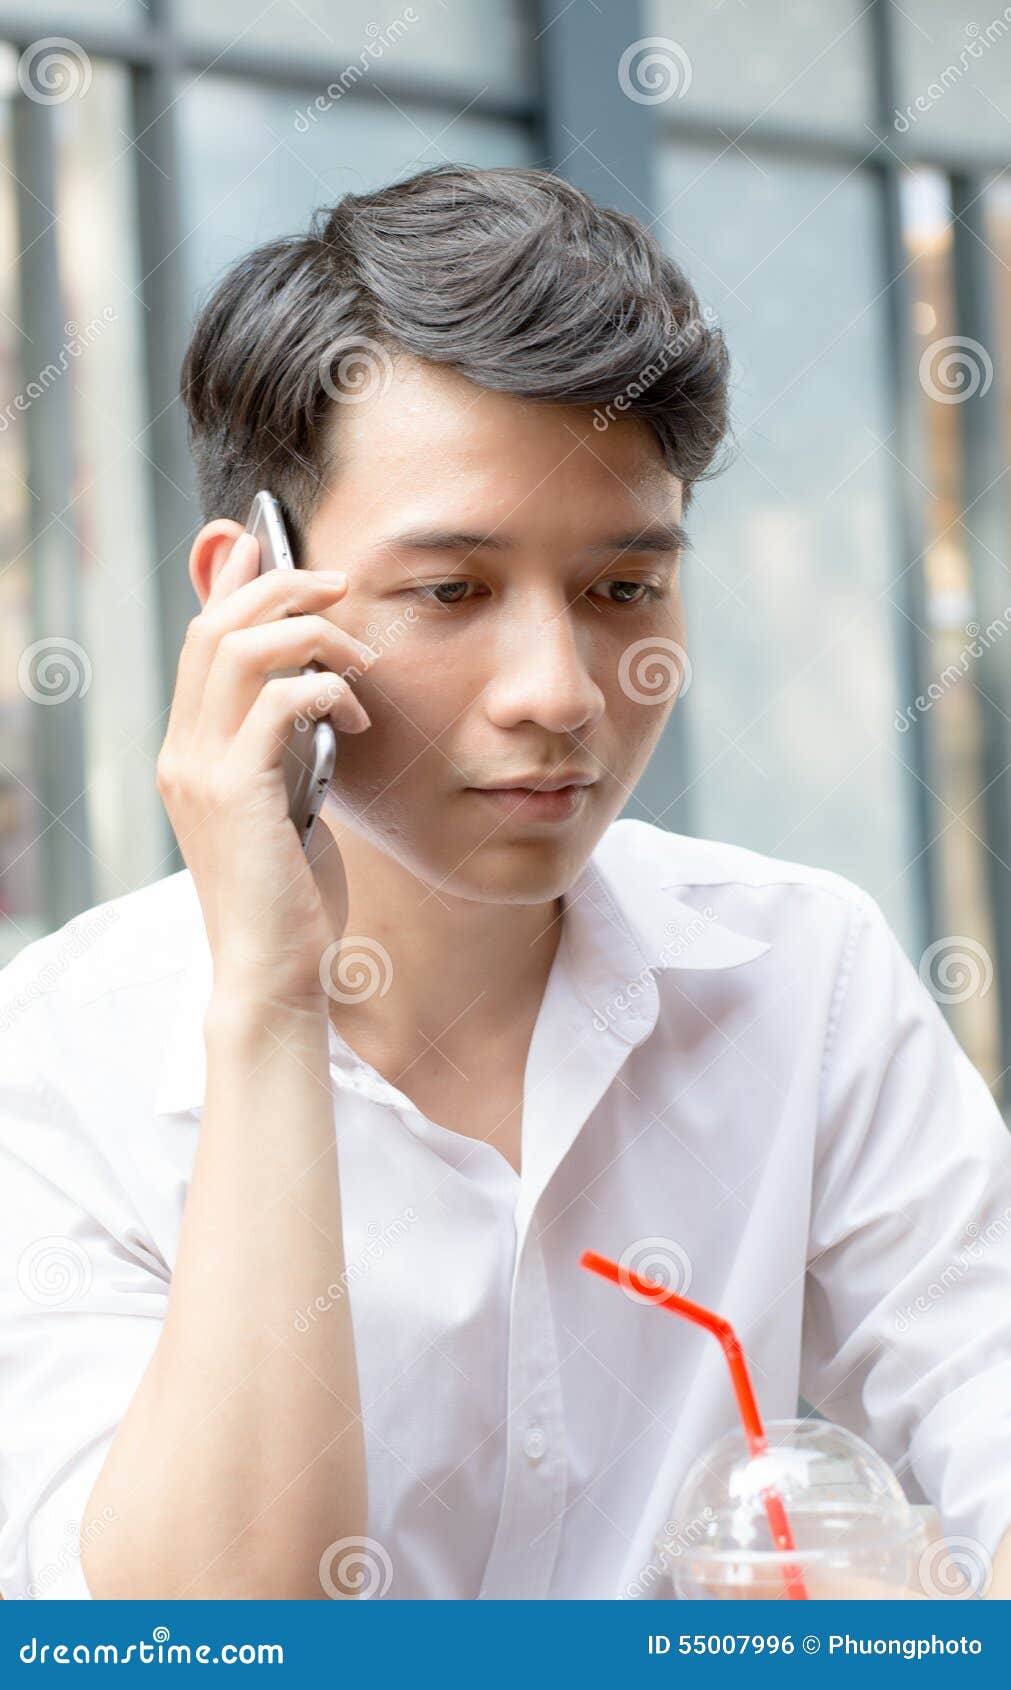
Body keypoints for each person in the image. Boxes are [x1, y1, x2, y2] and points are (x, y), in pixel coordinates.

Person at [2, 163, 1011, 1603]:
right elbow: (212, 1637)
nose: (560, 695)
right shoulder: (58, 1059)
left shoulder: (810, 979)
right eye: (450, 592)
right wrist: (273, 1003)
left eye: (622, 589)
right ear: (249, 597)